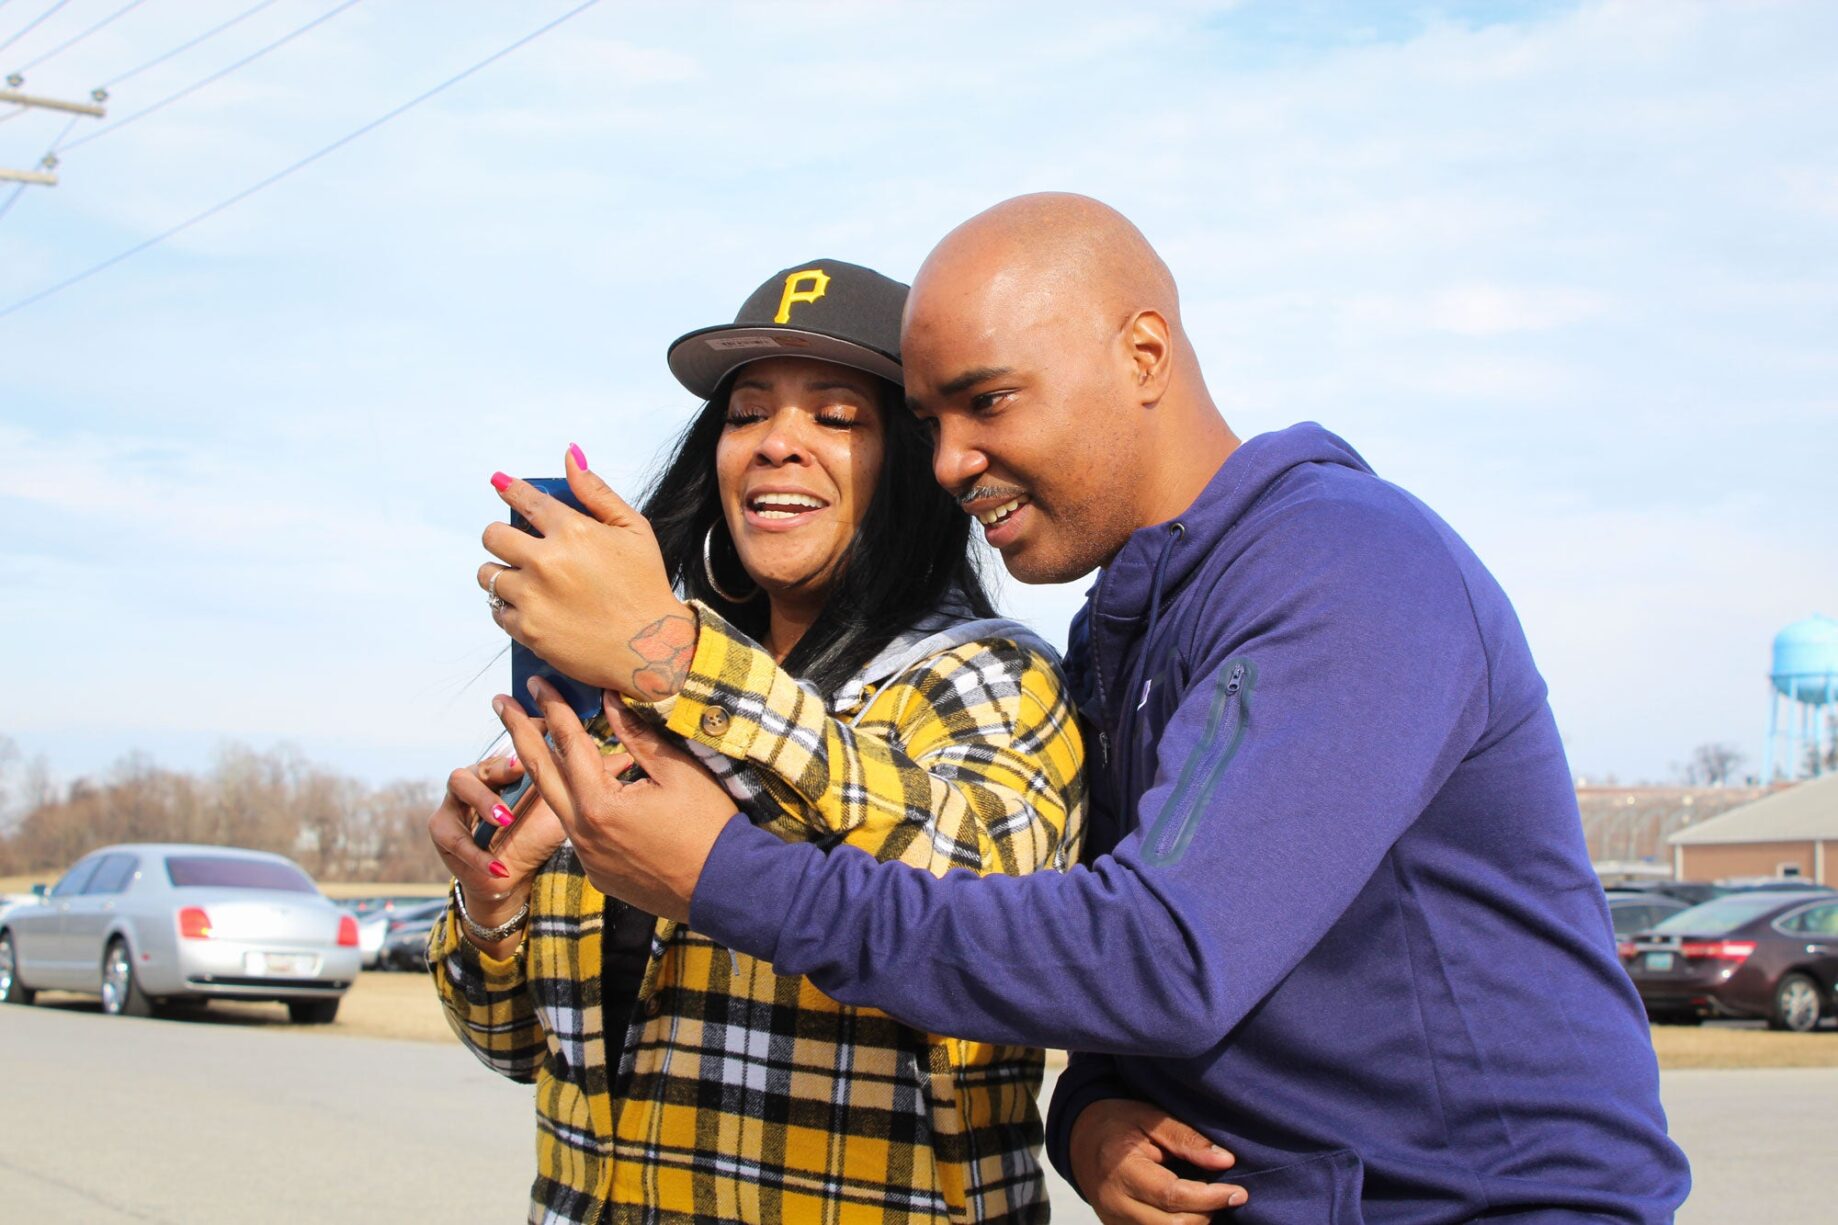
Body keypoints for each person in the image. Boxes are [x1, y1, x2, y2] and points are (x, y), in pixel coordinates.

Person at [491, 196, 1692, 1225]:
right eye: (931, 421)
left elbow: (1161, 952)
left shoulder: (1346, 567)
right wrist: (1090, 1114)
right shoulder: (1122, 633)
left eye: (988, 402)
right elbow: (1093, 972)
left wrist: (716, 857)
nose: (953, 462)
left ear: (1143, 355)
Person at [427, 259, 1086, 1224]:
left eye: (836, 416)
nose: (778, 442)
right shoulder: (631, 694)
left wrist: (672, 655)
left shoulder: (986, 676)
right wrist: (491, 903)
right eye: (746, 414)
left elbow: (994, 907)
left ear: (911, 458)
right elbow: (515, 1046)